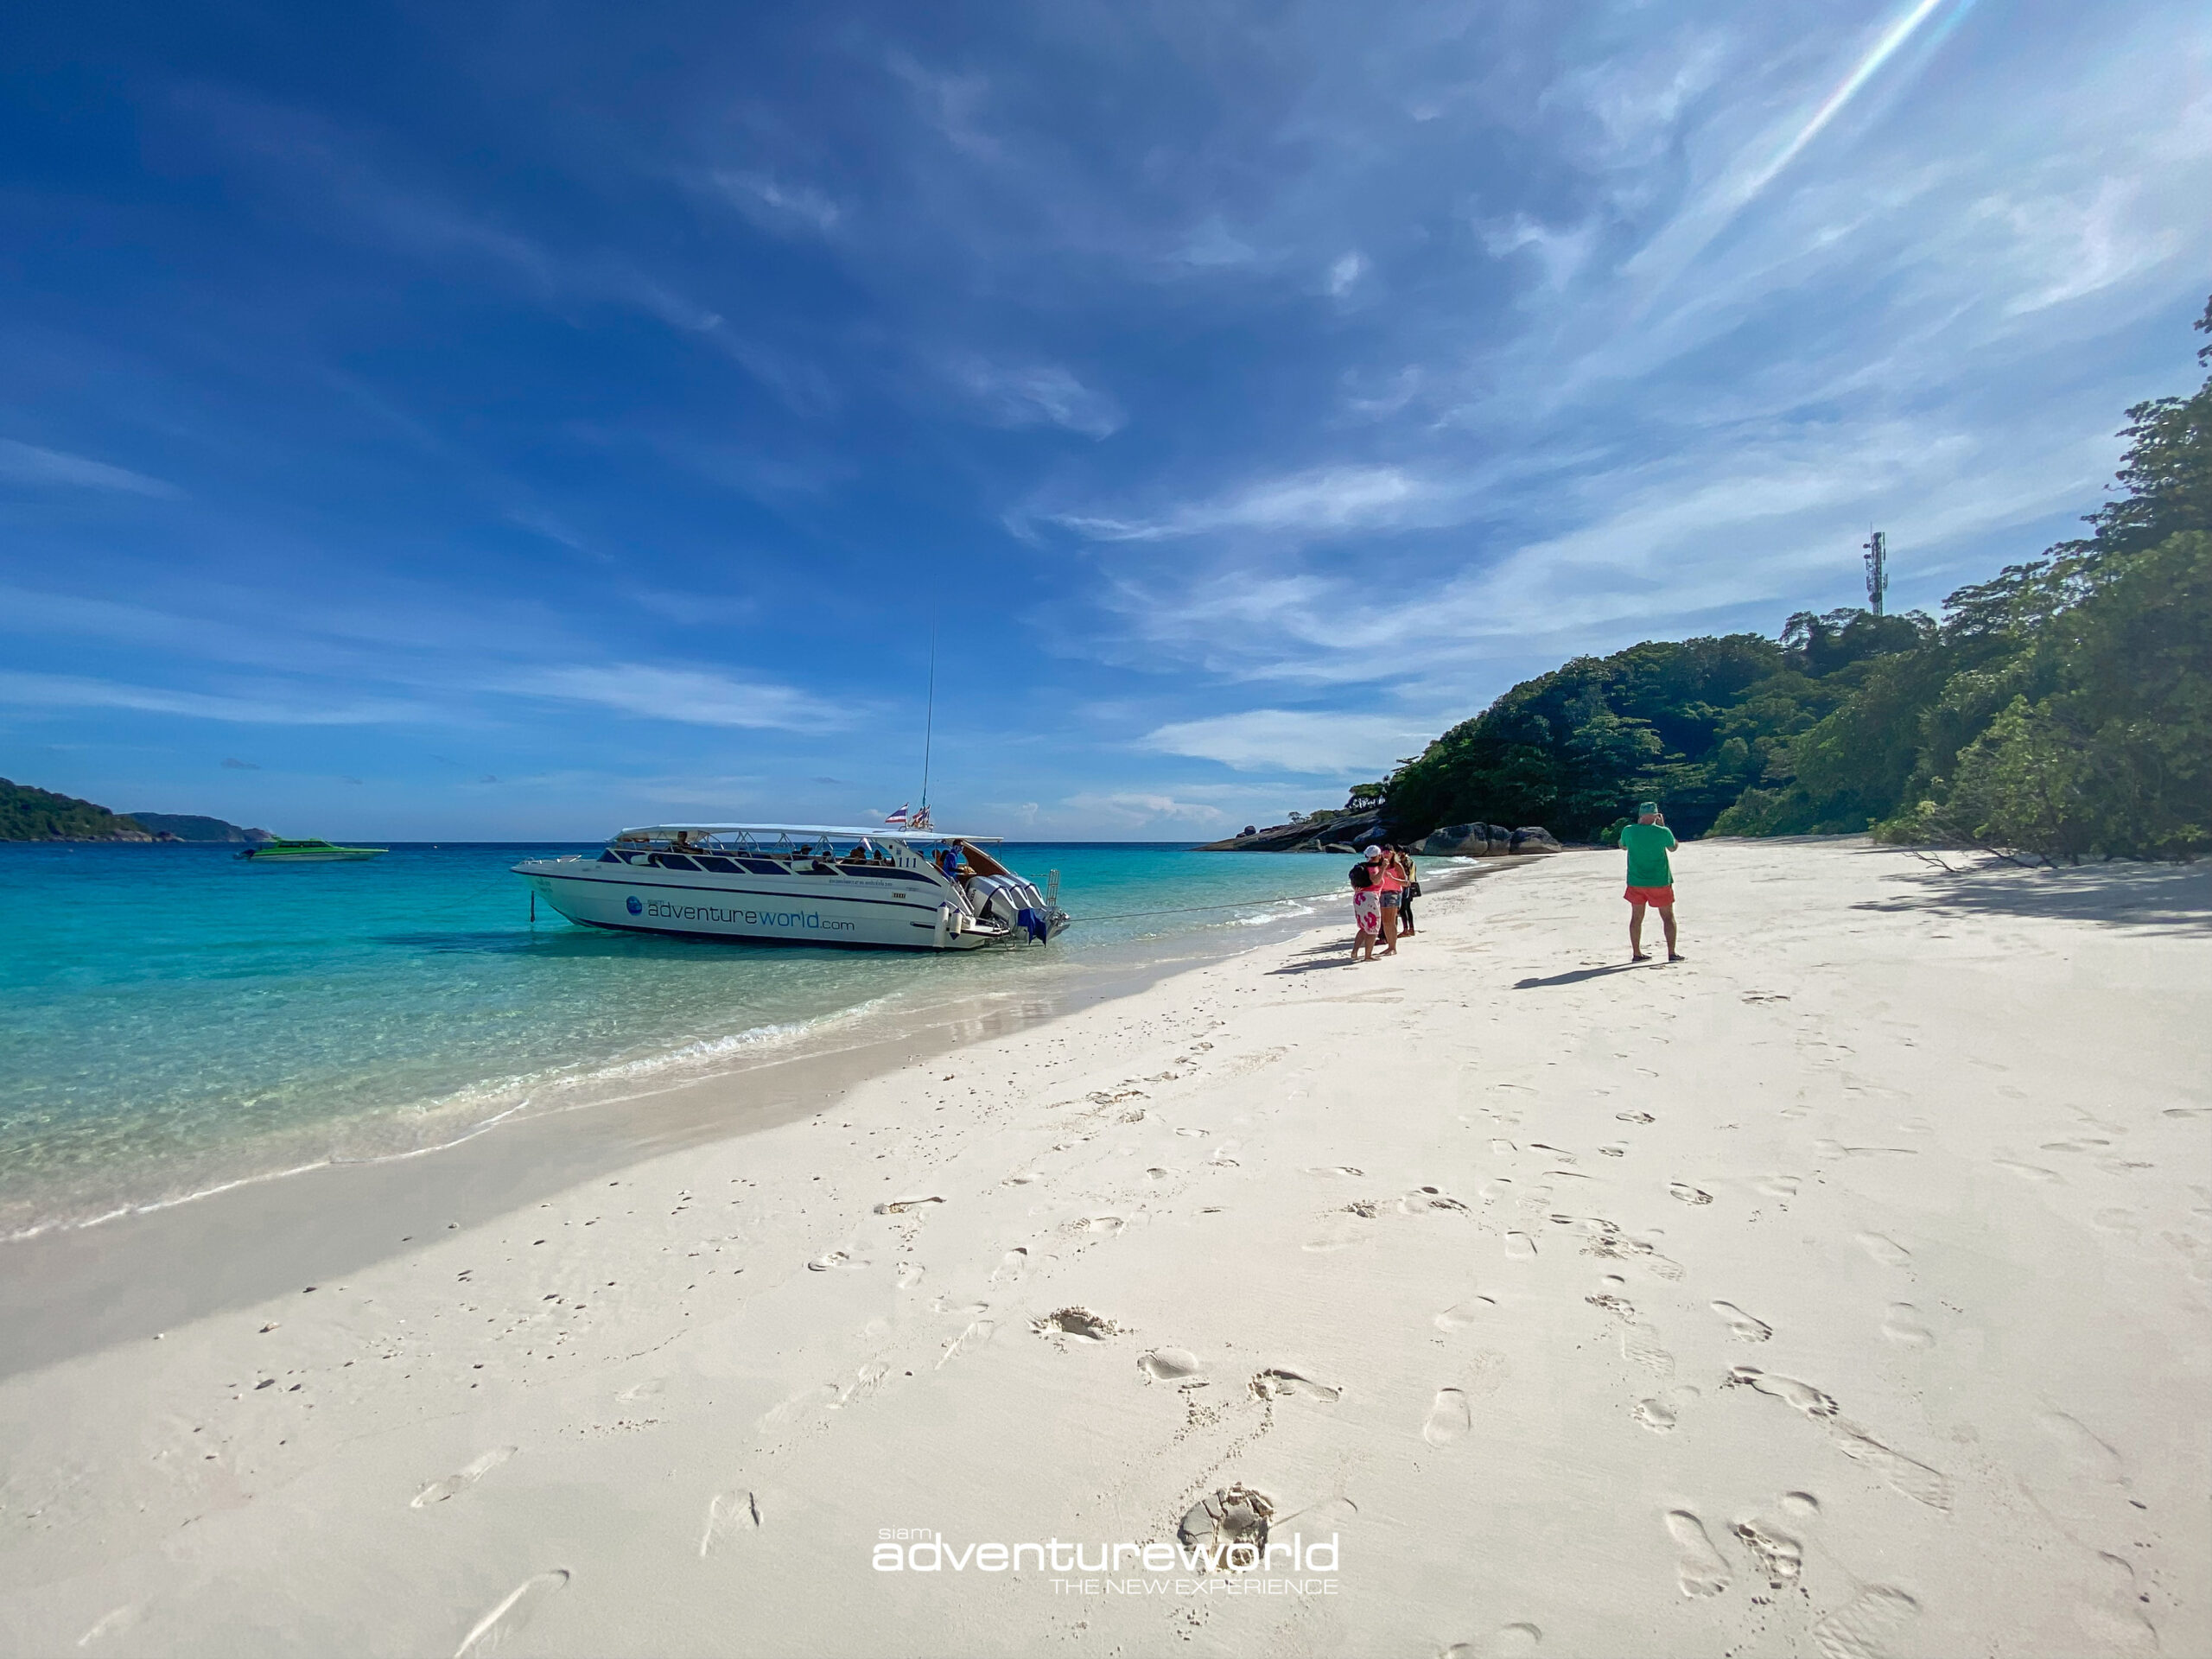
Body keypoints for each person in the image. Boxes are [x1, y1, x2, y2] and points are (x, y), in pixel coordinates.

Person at [1619, 802, 1681, 963]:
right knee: (1668, 917)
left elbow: (1622, 846)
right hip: (1660, 881)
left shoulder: (1629, 830)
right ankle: (1671, 953)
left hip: (1636, 881)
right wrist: (1662, 826)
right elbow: (1673, 847)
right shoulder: (1663, 832)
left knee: (1636, 917)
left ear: (1640, 816)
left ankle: (1637, 953)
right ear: (1656, 815)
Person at [1348, 846, 1383, 962]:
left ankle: (1355, 952)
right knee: (1373, 927)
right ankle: (1368, 955)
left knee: (1364, 927)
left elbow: (1353, 882)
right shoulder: (1373, 869)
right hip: (1370, 898)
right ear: (1378, 855)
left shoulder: (1361, 867)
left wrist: (1356, 889)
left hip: (1359, 897)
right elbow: (1376, 880)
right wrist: (1383, 868)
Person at [1370, 842, 1404, 955]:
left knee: (1390, 921)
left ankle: (1393, 947)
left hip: (1393, 893)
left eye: (1388, 851)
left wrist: (1392, 878)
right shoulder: (1380, 865)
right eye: (1384, 851)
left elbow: (1405, 882)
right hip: (1381, 893)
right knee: (1385, 922)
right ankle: (1390, 946)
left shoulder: (1396, 865)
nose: (1386, 853)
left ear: (1393, 853)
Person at [1390, 845, 1419, 937]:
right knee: (1407, 908)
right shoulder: (1411, 861)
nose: (1398, 854)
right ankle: (1411, 929)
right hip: (1411, 886)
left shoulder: (1406, 862)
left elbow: (1405, 876)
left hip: (1407, 887)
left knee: (1403, 909)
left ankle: (1406, 930)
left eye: (1400, 852)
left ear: (1404, 852)